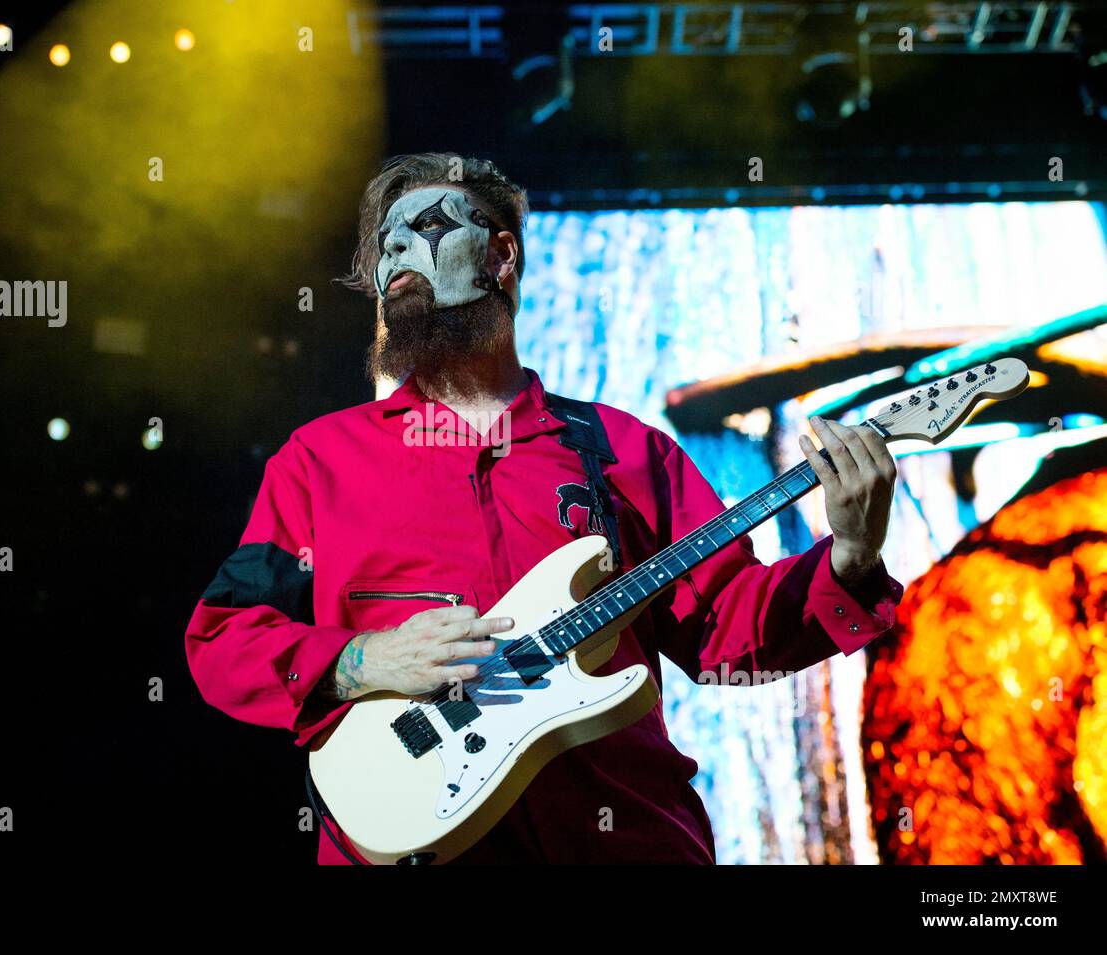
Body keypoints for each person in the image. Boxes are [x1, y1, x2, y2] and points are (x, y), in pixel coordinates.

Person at [184, 152, 903, 864]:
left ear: (501, 256)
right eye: (386, 244)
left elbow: (724, 632)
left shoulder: (624, 449)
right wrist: (362, 658)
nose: (394, 249)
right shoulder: (319, 460)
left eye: (424, 226)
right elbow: (222, 638)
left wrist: (852, 559)